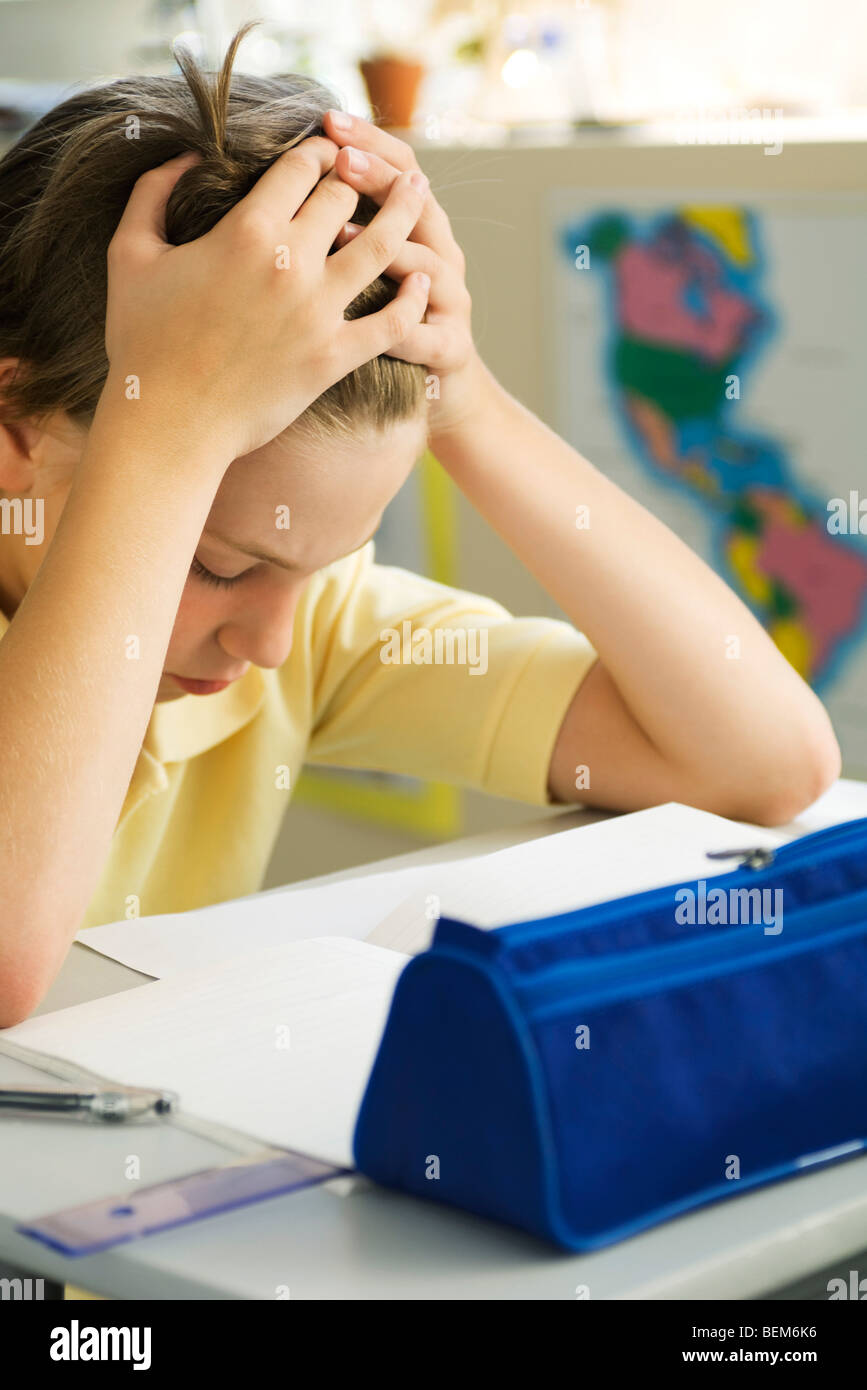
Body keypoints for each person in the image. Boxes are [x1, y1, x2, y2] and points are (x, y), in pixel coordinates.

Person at [0, 27, 840, 1025]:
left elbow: (765, 762)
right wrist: (164, 435)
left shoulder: (307, 623)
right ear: (15, 429)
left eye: (317, 570)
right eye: (218, 564)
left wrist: (467, 396)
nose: (271, 642)